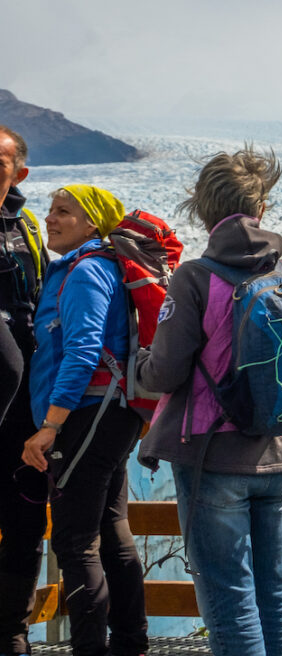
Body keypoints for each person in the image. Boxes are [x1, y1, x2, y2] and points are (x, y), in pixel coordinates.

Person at [135, 148, 282, 656]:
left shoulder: (195, 278)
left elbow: (165, 371)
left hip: (213, 457)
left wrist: (137, 363)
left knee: (229, 601)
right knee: (272, 593)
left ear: (204, 210)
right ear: (261, 208)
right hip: (278, 451)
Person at [20, 186, 147, 656]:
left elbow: (82, 352)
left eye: (63, 212)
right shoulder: (104, 265)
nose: (50, 219)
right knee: (111, 531)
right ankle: (131, 643)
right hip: (113, 413)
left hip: (89, 413)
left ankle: (92, 649)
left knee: (75, 541)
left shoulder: (87, 271)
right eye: (50, 210)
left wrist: (51, 424)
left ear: (92, 222)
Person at [0, 126, 46, 655]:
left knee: (25, 522)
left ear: (18, 174)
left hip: (23, 413)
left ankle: (12, 631)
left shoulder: (27, 228)